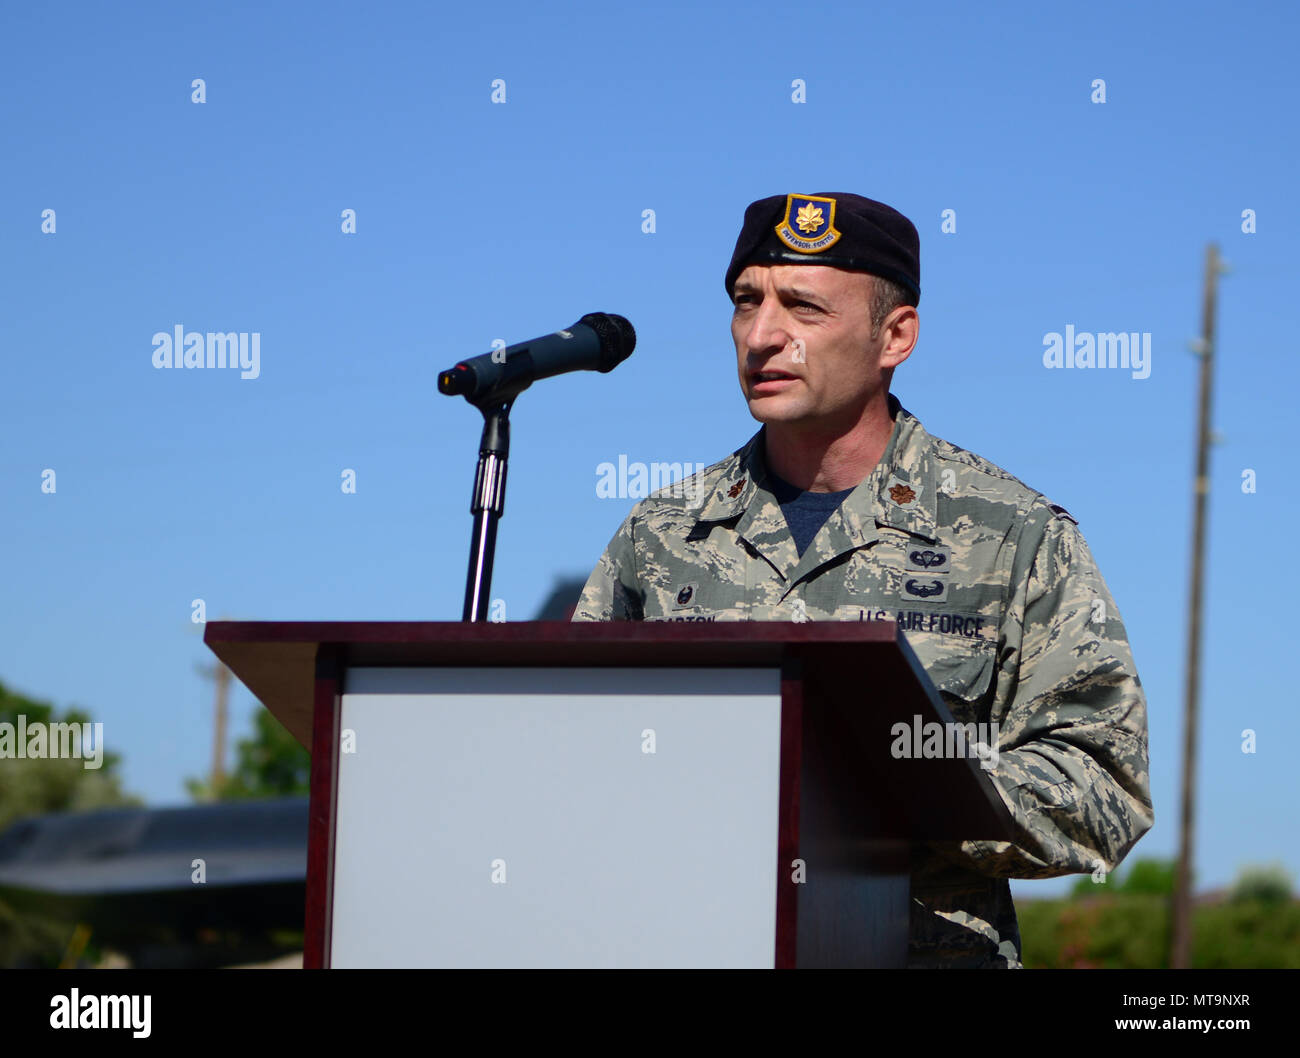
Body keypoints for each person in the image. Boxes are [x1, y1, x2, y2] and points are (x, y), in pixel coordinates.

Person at [570, 191, 1153, 968]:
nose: (763, 336)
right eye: (747, 302)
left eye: (804, 308)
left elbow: (1105, 784)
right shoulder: (663, 533)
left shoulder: (1013, 533)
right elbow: (572, 752)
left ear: (895, 336)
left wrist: (906, 788)